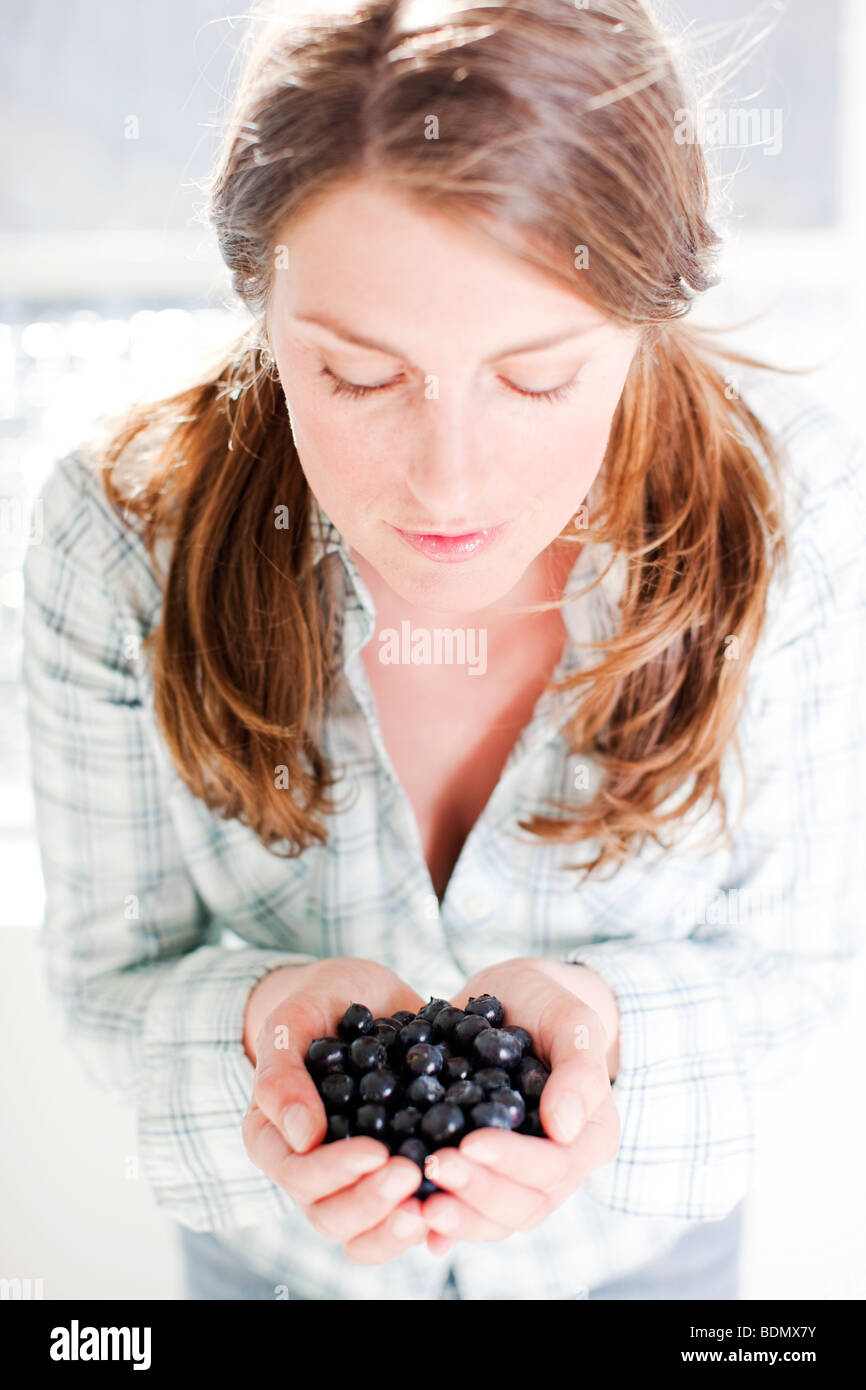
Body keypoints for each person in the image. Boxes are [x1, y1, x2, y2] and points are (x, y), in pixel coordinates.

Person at [21, 0, 865, 1301]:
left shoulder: (789, 499)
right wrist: (258, 1025)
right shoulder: (119, 534)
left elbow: (803, 968)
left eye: (535, 379)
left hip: (639, 1265)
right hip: (274, 1269)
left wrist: (602, 1032)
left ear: (648, 321)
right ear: (258, 306)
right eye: (357, 375)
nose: (446, 482)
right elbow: (108, 976)